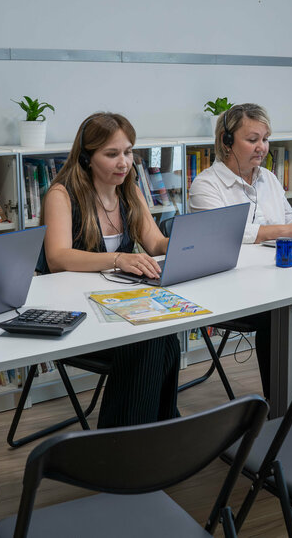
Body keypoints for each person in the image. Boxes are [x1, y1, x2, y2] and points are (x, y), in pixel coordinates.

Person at [39, 112, 179, 428]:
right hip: (75, 311)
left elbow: (156, 243)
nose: (123, 163)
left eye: (128, 152)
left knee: (166, 335)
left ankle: (157, 427)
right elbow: (57, 258)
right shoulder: (62, 194)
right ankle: (128, 438)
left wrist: (193, 242)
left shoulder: (129, 191)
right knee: (151, 339)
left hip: (118, 304)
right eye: (112, 154)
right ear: (87, 157)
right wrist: (117, 258)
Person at [188, 103, 292, 399]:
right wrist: (286, 231)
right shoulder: (205, 185)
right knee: (278, 316)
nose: (262, 147)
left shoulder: (267, 179)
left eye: (265, 139)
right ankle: (281, 398)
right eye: (252, 139)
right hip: (227, 287)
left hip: (272, 276)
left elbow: (288, 220)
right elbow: (228, 236)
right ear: (226, 142)